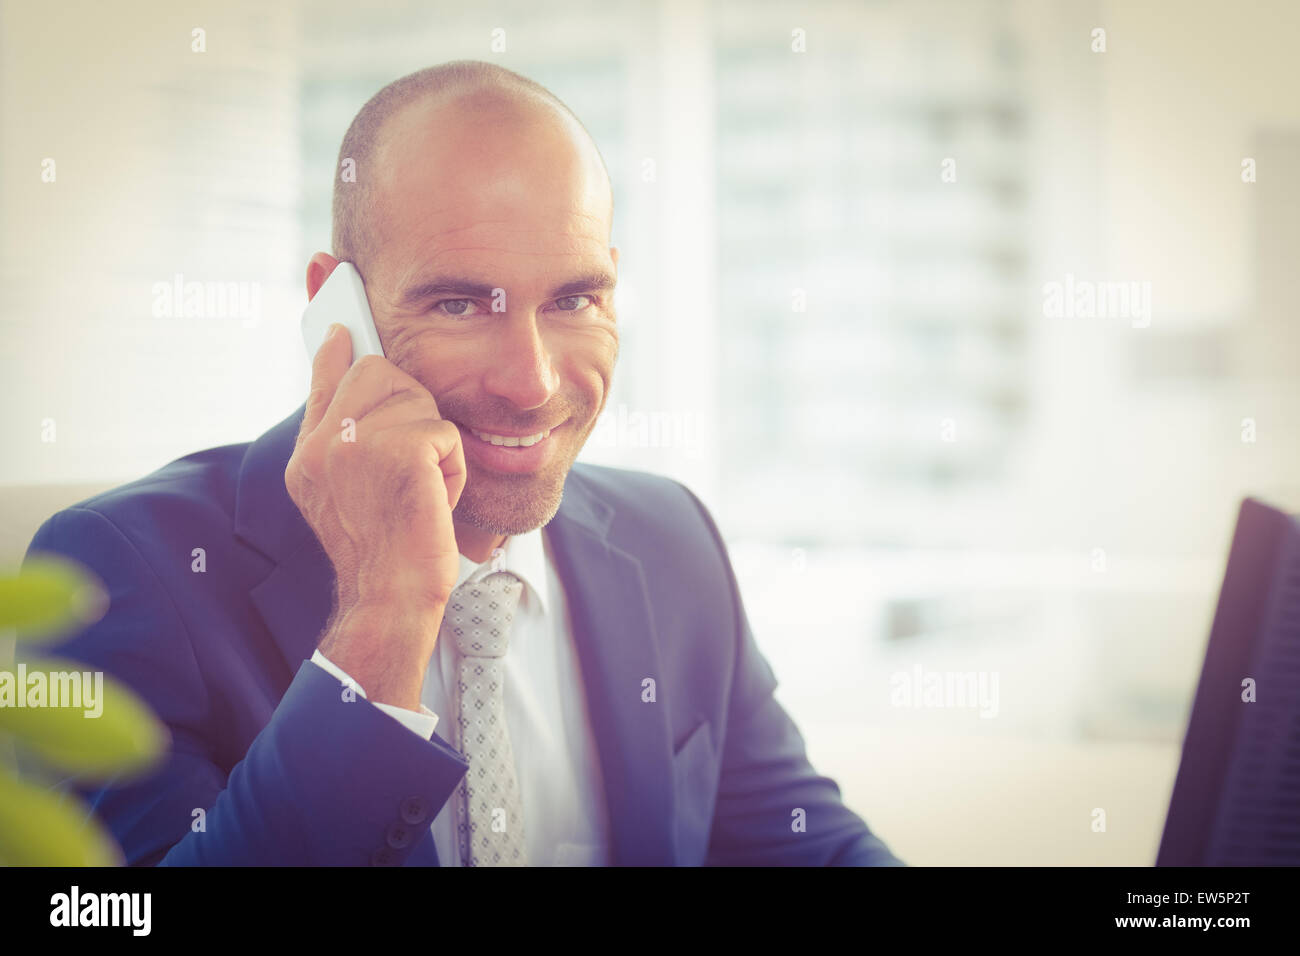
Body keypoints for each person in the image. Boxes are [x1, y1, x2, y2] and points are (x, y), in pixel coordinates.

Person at [24, 59, 903, 867]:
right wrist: (385, 610)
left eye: (574, 298)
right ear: (338, 310)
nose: (533, 383)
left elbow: (807, 845)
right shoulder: (117, 570)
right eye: (458, 303)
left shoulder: (673, 538)